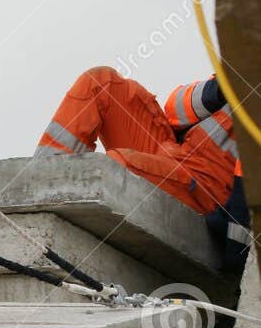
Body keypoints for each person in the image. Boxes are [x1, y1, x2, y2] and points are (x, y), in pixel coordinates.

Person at [36, 67, 240, 219]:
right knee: (99, 82)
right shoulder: (245, 73)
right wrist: (219, 88)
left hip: (204, 190)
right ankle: (41, 180)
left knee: (113, 168)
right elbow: (174, 111)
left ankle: (64, 199)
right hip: (172, 152)